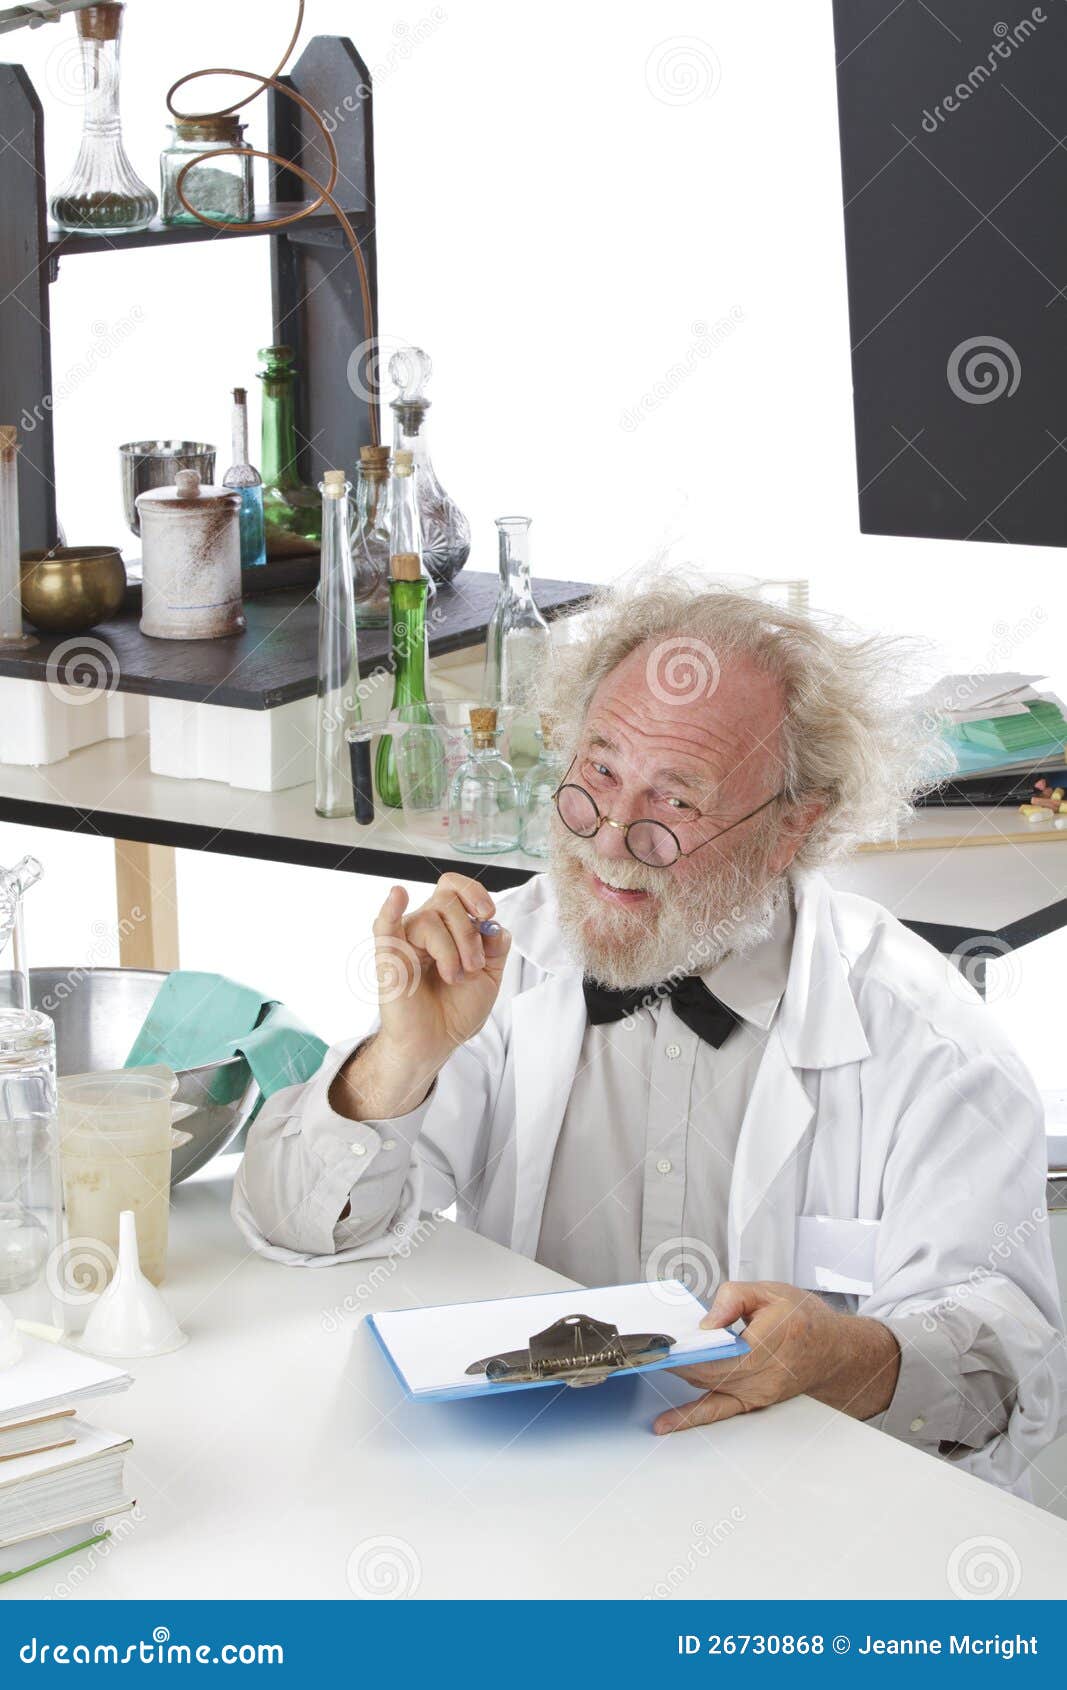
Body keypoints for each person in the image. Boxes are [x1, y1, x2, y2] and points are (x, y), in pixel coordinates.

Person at [234, 576, 1066, 1491]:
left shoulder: (934, 1050)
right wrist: (402, 1060)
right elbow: (294, 1227)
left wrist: (848, 1359)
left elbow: (1003, 1374)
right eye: (598, 773)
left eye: (675, 801)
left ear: (793, 826)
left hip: (800, 1509)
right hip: (529, 1476)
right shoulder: (495, 961)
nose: (610, 837)